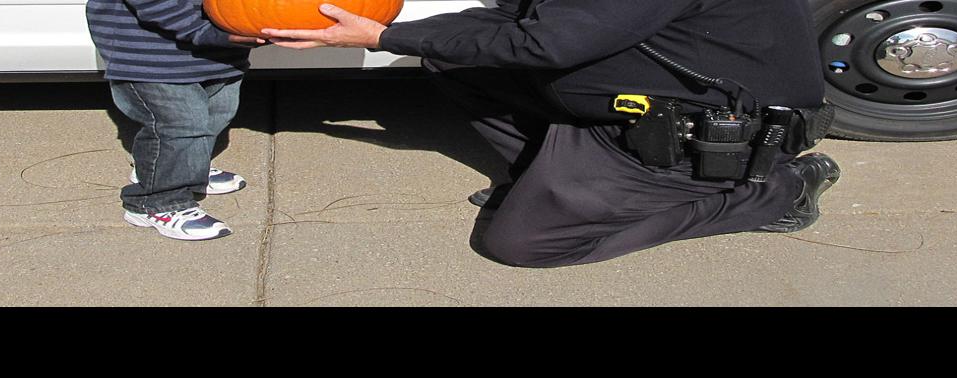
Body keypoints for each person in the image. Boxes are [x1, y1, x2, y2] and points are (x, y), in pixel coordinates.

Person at [263, 1, 840, 268]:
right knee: (452, 58)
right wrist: (396, 31)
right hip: (624, 110)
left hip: (693, 141)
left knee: (521, 246)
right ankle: (548, 178)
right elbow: (514, 20)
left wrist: (380, 40)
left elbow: (548, 44)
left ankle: (775, 194)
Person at [86, 0, 267, 241]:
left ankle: (180, 170)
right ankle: (157, 202)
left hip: (219, 51)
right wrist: (206, 31)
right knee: (180, 125)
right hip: (152, 54)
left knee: (217, 114)